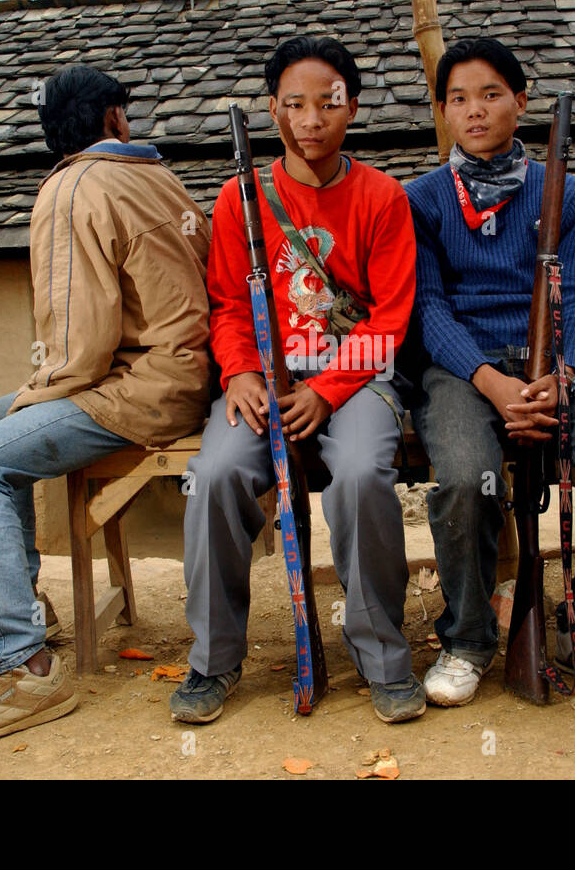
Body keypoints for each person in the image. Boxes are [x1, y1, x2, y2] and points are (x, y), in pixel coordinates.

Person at [0, 65, 212, 741]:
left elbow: (78, 345)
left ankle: (23, 666)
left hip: (142, 390)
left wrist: (34, 393)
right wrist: (25, 403)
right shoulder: (158, 177)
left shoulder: (72, 186)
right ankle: (24, 612)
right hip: (184, 374)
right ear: (115, 120)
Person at [171, 35, 424, 725]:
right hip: (263, 379)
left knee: (365, 476)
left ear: (352, 109)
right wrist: (241, 372)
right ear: (274, 112)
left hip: (355, 379)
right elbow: (226, 304)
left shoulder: (382, 198)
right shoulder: (238, 199)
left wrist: (328, 389)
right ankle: (214, 658)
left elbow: (391, 318)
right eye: (295, 105)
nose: (311, 119)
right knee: (214, 474)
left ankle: (381, 655)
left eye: (327, 103)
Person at [406, 37, 575, 705]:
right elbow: (429, 310)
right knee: (464, 479)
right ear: (442, 111)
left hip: (554, 369)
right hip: (462, 373)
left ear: (520, 101)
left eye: (491, 93)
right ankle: (466, 639)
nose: (475, 110)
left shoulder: (565, 192)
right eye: (458, 98)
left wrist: (563, 374)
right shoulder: (425, 199)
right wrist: (491, 380)